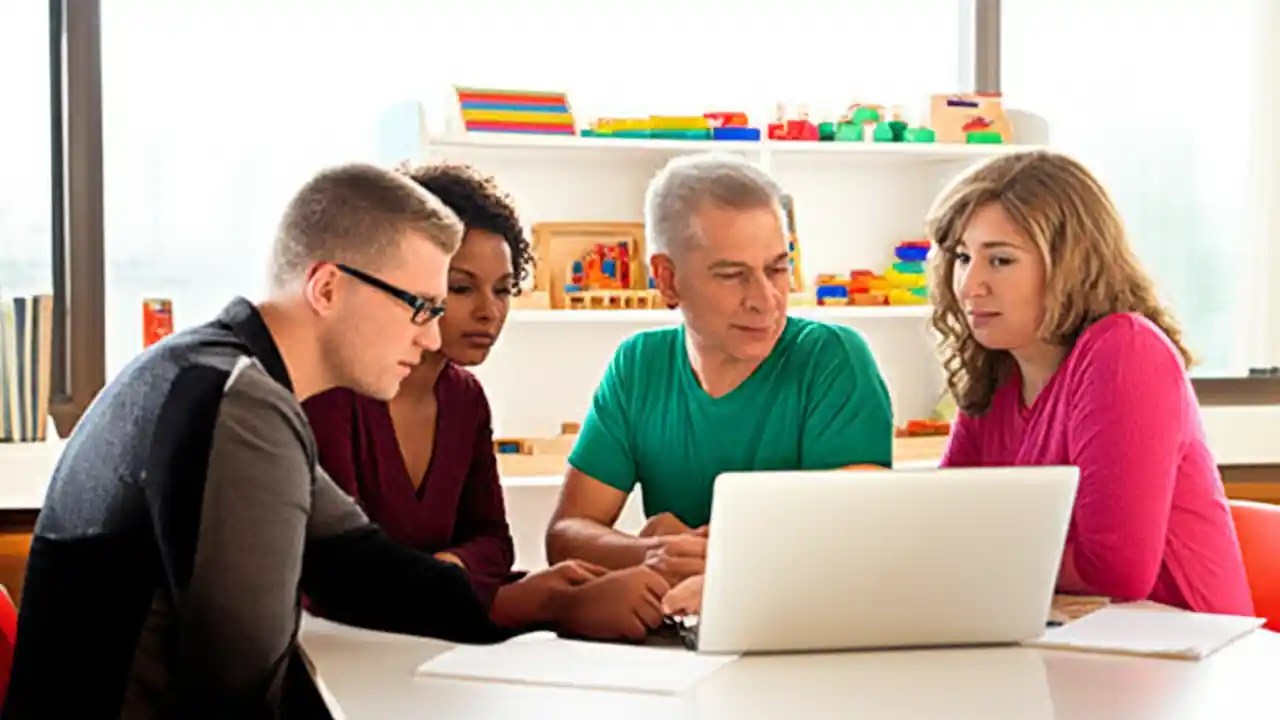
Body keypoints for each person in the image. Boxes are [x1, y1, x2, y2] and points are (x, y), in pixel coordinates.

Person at [3, 163, 610, 718]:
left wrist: (530, 605)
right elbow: (238, 690)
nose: (430, 340)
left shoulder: (222, 374)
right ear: (326, 288)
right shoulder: (238, 399)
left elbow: (356, 563)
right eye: (418, 308)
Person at [303, 163, 669, 641]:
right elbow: (337, 578)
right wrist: (527, 599)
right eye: (460, 288)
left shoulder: (465, 398)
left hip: (441, 644)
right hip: (346, 648)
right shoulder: (335, 394)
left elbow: (495, 543)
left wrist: (451, 576)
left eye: (502, 290)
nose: (488, 311)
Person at [545, 153, 895, 591]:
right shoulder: (638, 365)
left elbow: (857, 534)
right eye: (733, 275)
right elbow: (566, 535)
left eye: (777, 269)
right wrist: (654, 553)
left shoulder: (831, 358)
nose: (765, 299)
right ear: (667, 280)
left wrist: (705, 549)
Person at [928, 149, 1254, 615]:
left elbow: (1115, 571)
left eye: (999, 260)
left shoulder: (1125, 351)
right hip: (1075, 643)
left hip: (1187, 654)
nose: (969, 285)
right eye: (962, 257)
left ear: (1070, 265)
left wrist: (979, 552)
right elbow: (941, 526)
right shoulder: (995, 373)